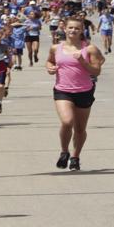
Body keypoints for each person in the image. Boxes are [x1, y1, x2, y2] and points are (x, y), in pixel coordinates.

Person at [46, 15, 104, 171]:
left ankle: (75, 156)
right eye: (70, 27)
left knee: (79, 129)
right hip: (62, 90)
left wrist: (83, 62)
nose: (73, 30)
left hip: (84, 90)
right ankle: (64, 152)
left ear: (82, 31)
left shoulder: (89, 48)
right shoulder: (56, 47)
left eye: (77, 28)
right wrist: (50, 67)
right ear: (64, 29)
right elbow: (50, 60)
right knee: (67, 121)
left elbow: (97, 71)